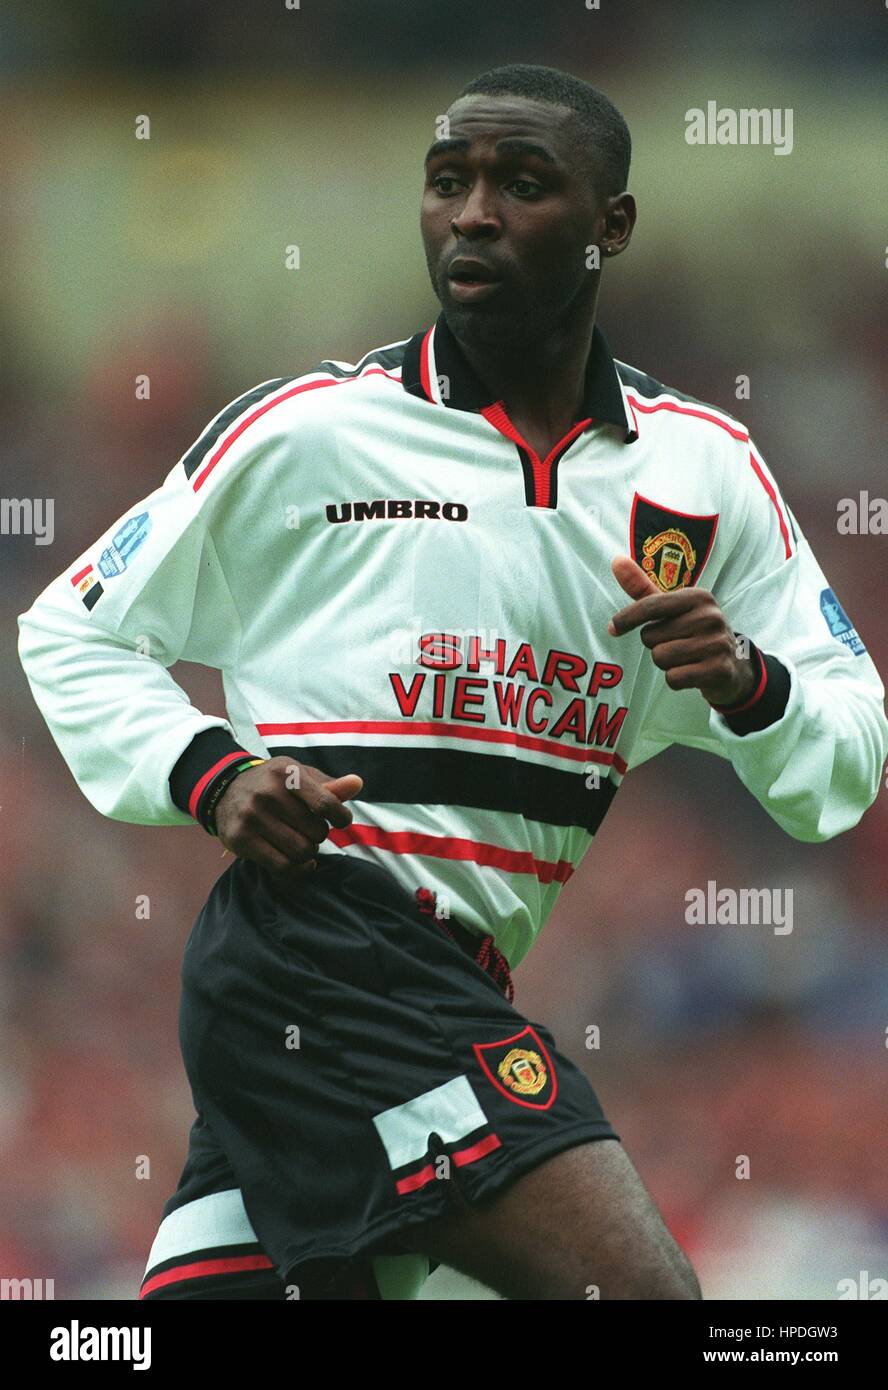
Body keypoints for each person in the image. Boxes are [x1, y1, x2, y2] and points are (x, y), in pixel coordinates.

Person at [18, 64, 888, 1301]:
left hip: (441, 983)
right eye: (447, 182)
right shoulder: (312, 431)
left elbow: (849, 756)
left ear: (612, 227)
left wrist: (752, 685)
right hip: (323, 945)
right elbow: (70, 629)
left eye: (521, 184)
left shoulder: (706, 473)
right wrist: (210, 774)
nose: (472, 213)